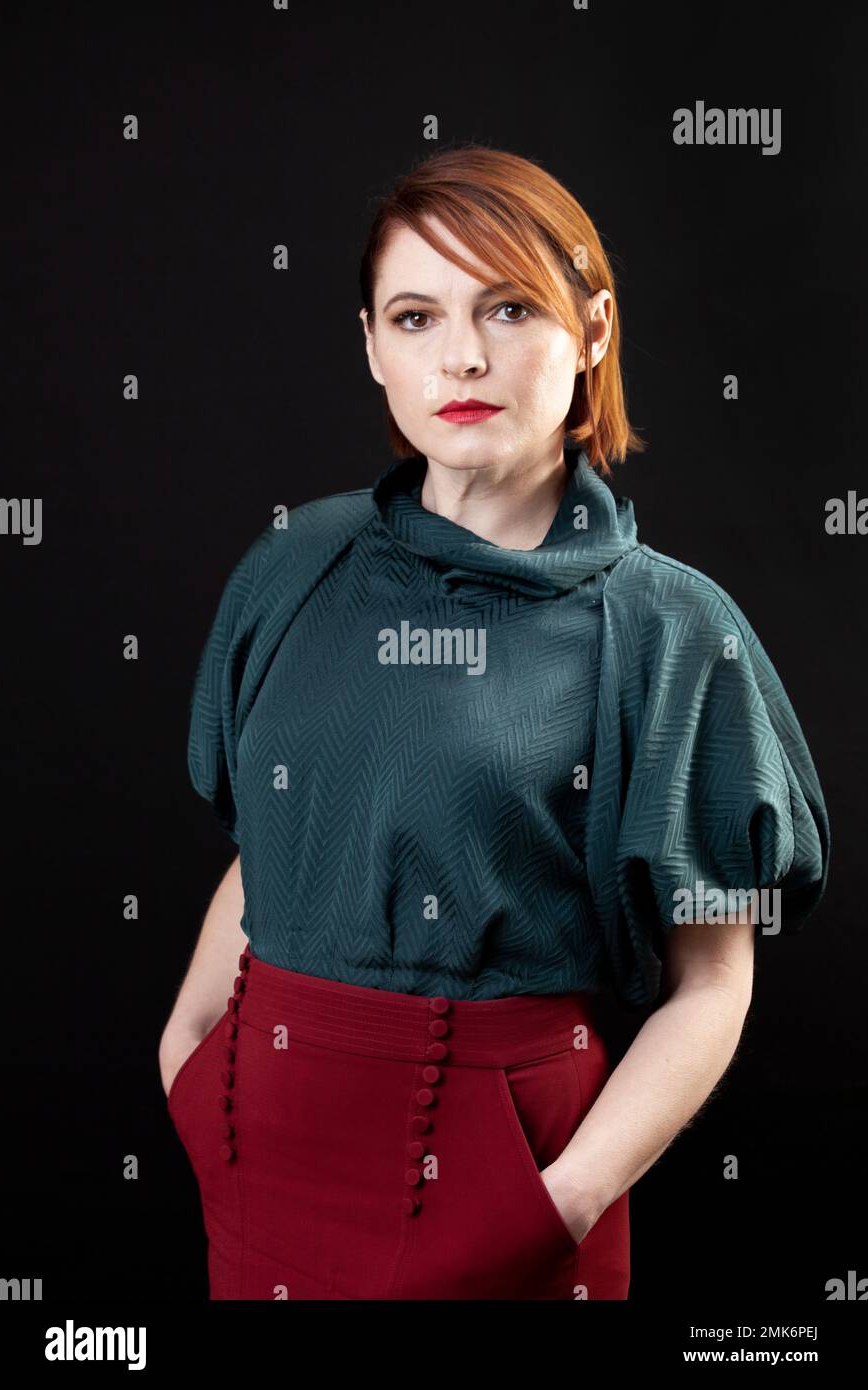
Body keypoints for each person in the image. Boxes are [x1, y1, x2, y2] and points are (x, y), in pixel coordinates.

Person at [159, 144, 830, 1301]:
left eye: (509, 307)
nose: (462, 355)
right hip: (255, 1149)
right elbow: (270, 847)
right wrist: (186, 1053)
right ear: (372, 344)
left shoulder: (670, 628)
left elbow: (714, 980)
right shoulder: (295, 562)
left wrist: (556, 1202)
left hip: (505, 1179)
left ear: (595, 328)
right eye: (416, 316)